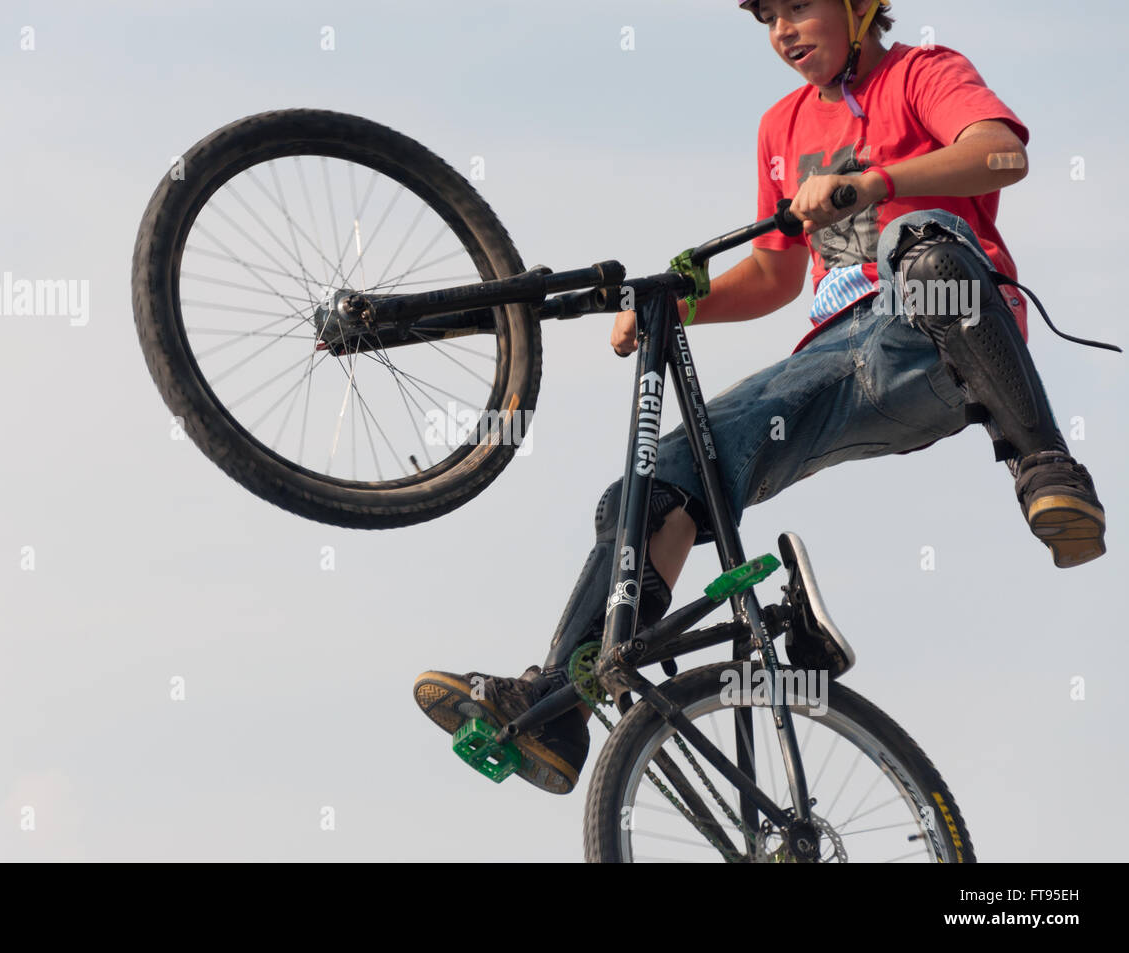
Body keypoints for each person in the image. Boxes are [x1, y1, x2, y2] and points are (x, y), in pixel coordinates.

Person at [413, 0, 1107, 795]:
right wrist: (681, 306)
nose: (782, 31)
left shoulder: (921, 72)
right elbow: (779, 277)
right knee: (653, 485)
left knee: (917, 241)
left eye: (799, 6)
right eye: (766, 17)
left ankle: (1045, 465)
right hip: (834, 364)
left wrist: (873, 183)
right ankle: (561, 704)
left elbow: (1000, 154)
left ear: (859, 7)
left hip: (939, 330)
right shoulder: (782, 127)